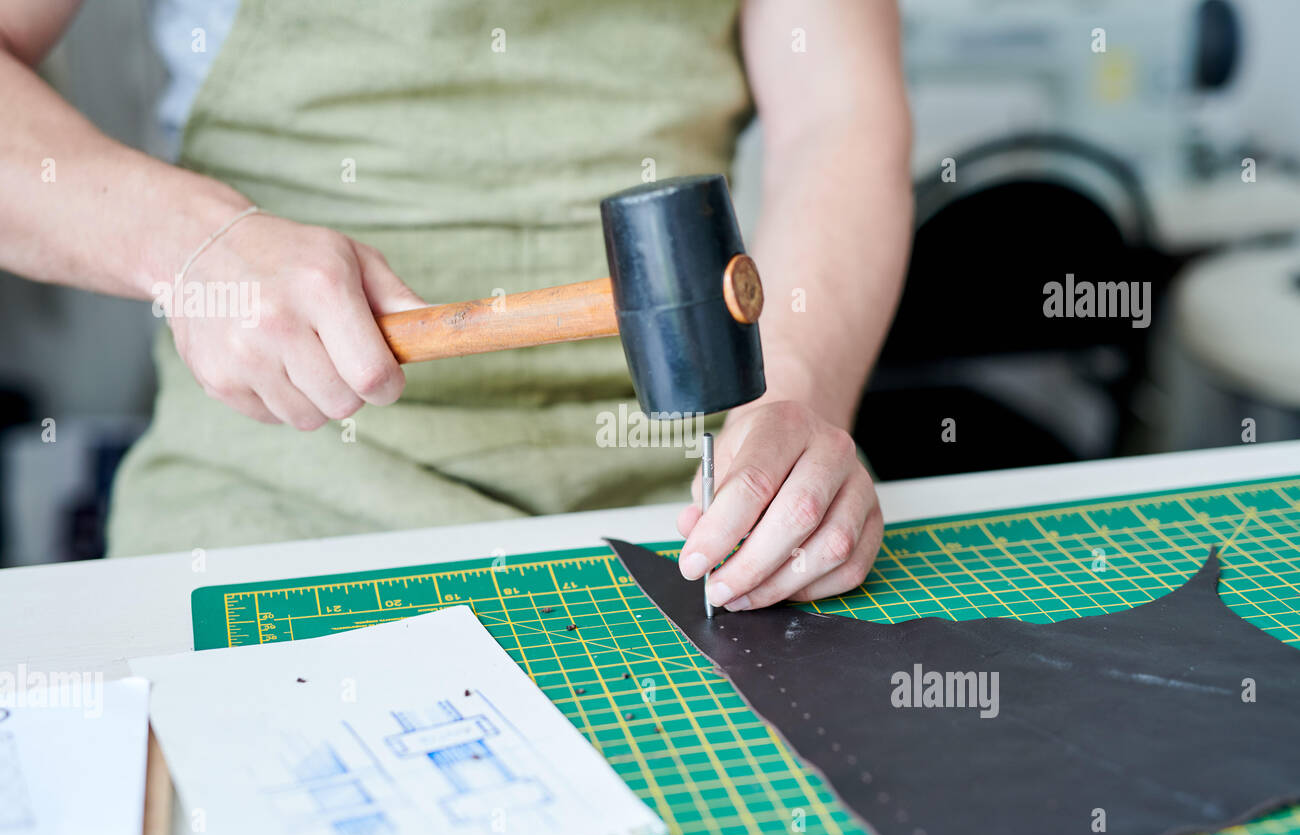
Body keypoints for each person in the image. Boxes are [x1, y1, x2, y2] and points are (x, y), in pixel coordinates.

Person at [0, 0, 911, 612]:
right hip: (286, 479)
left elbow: (838, 113)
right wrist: (189, 243)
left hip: (692, 489)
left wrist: (795, 396)